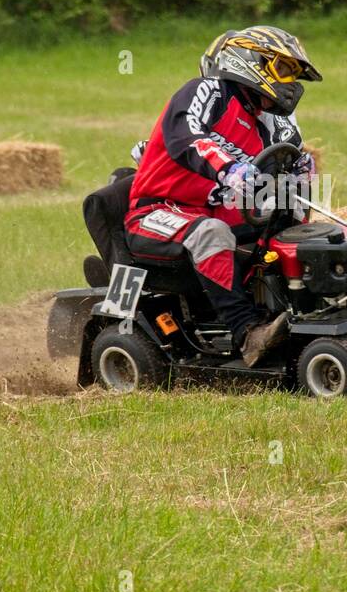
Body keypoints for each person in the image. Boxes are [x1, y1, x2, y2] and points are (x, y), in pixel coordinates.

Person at [125, 26, 319, 366]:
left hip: (213, 209)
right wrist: (229, 168)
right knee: (210, 233)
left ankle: (307, 307)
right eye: (284, 70)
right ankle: (248, 332)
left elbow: (286, 157)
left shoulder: (267, 119)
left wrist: (300, 171)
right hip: (156, 210)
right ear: (250, 60)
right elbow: (187, 135)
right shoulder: (206, 92)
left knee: (285, 227)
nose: (290, 83)